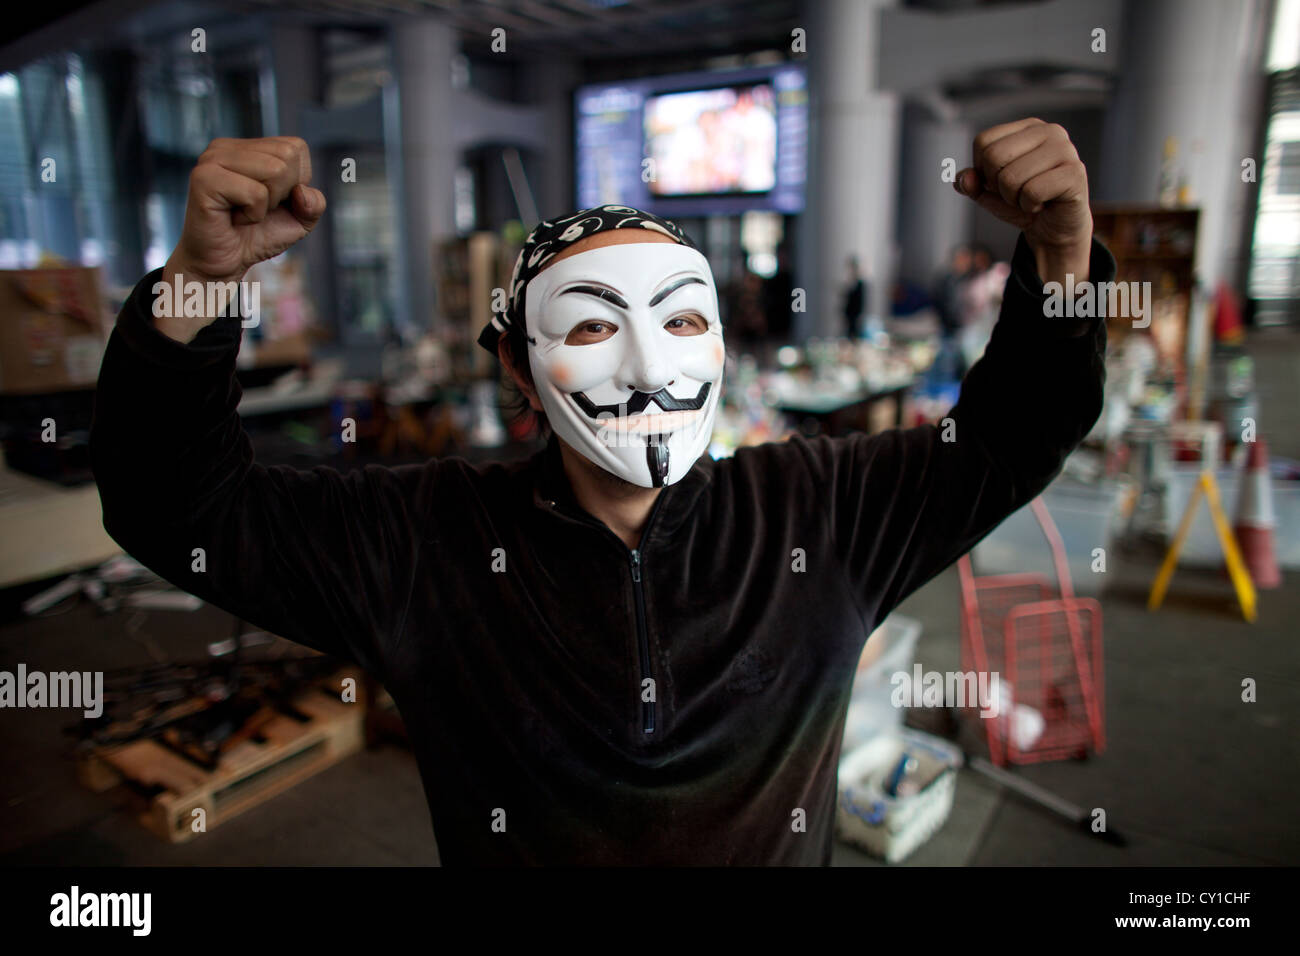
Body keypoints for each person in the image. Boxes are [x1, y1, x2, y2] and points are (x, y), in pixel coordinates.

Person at [90, 119, 1112, 865]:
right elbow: (177, 509)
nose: (645, 367)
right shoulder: (424, 539)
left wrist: (1062, 258)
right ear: (520, 377)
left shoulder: (821, 512)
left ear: (719, 343)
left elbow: (1013, 433)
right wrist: (197, 281)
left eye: (678, 322)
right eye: (587, 326)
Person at [842, 255, 866, 338]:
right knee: (849, 332)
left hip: (855, 314)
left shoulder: (860, 283)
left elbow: (859, 300)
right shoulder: (851, 282)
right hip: (850, 314)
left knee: (854, 333)